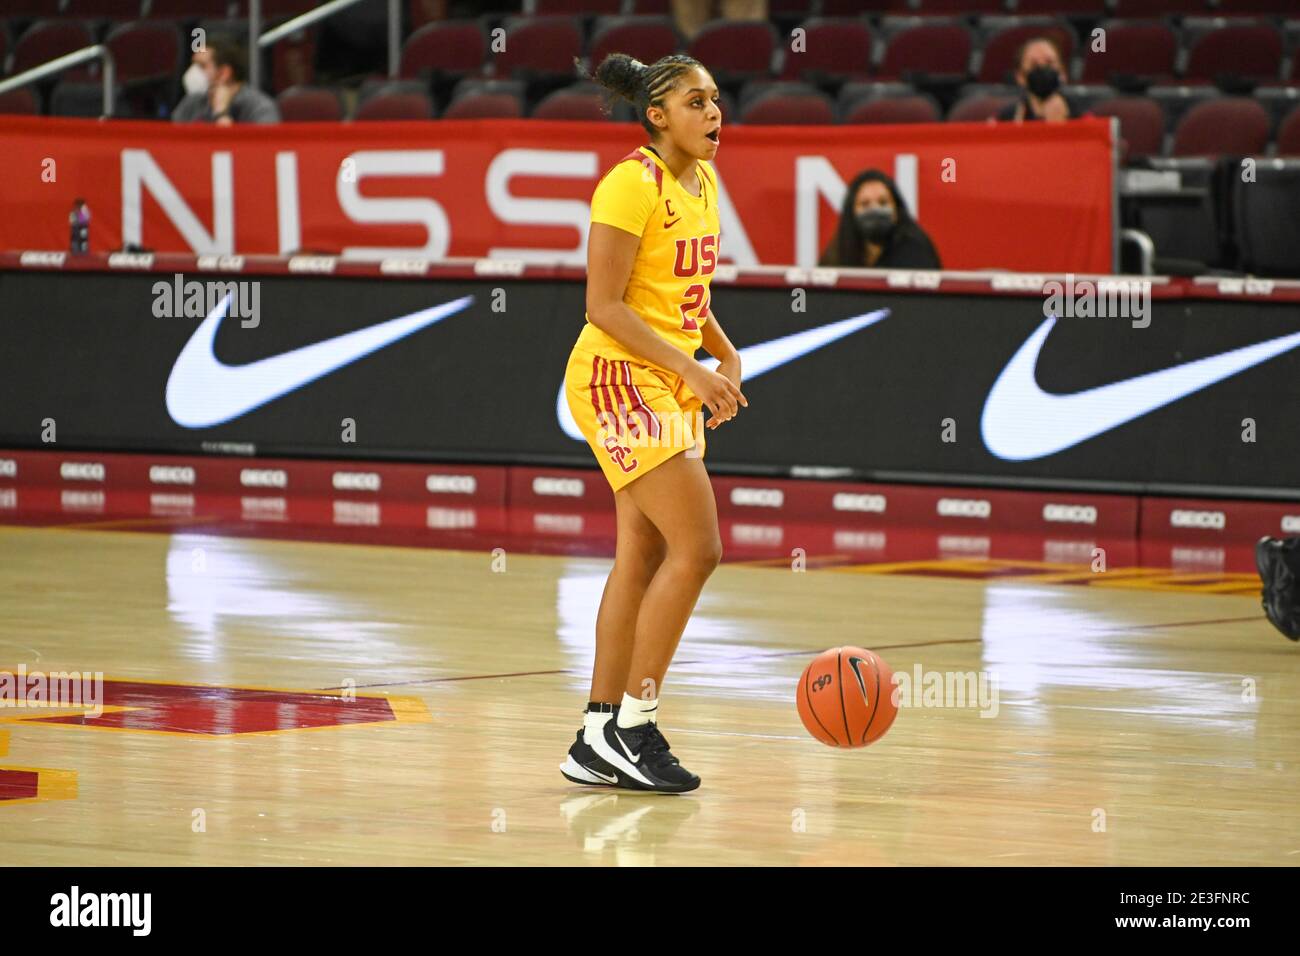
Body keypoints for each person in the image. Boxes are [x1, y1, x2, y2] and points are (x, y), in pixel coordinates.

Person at [559, 52, 745, 794]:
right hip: (617, 376)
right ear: (657, 116)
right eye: (696, 102)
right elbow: (603, 306)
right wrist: (693, 370)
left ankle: (597, 734)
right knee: (699, 548)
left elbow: (683, 293)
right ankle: (635, 727)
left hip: (664, 379)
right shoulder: (629, 184)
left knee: (642, 552)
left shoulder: (704, 181)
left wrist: (724, 353)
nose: (714, 112)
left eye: (716, 98)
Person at [819, 169, 941, 269]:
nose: (874, 210)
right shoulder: (838, 254)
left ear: (897, 209)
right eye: (865, 204)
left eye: (883, 203)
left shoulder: (917, 252)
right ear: (851, 213)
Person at [172, 36, 280, 125]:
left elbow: (263, 144)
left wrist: (221, 114)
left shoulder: (260, 107)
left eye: (202, 66)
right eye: (193, 64)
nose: (193, 72)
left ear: (224, 73)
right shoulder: (191, 103)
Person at [997, 35, 1076, 124]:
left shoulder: (1079, 115)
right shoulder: (1008, 118)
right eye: (1034, 65)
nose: (1042, 68)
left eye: (1049, 63)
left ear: (1062, 72)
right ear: (1020, 77)